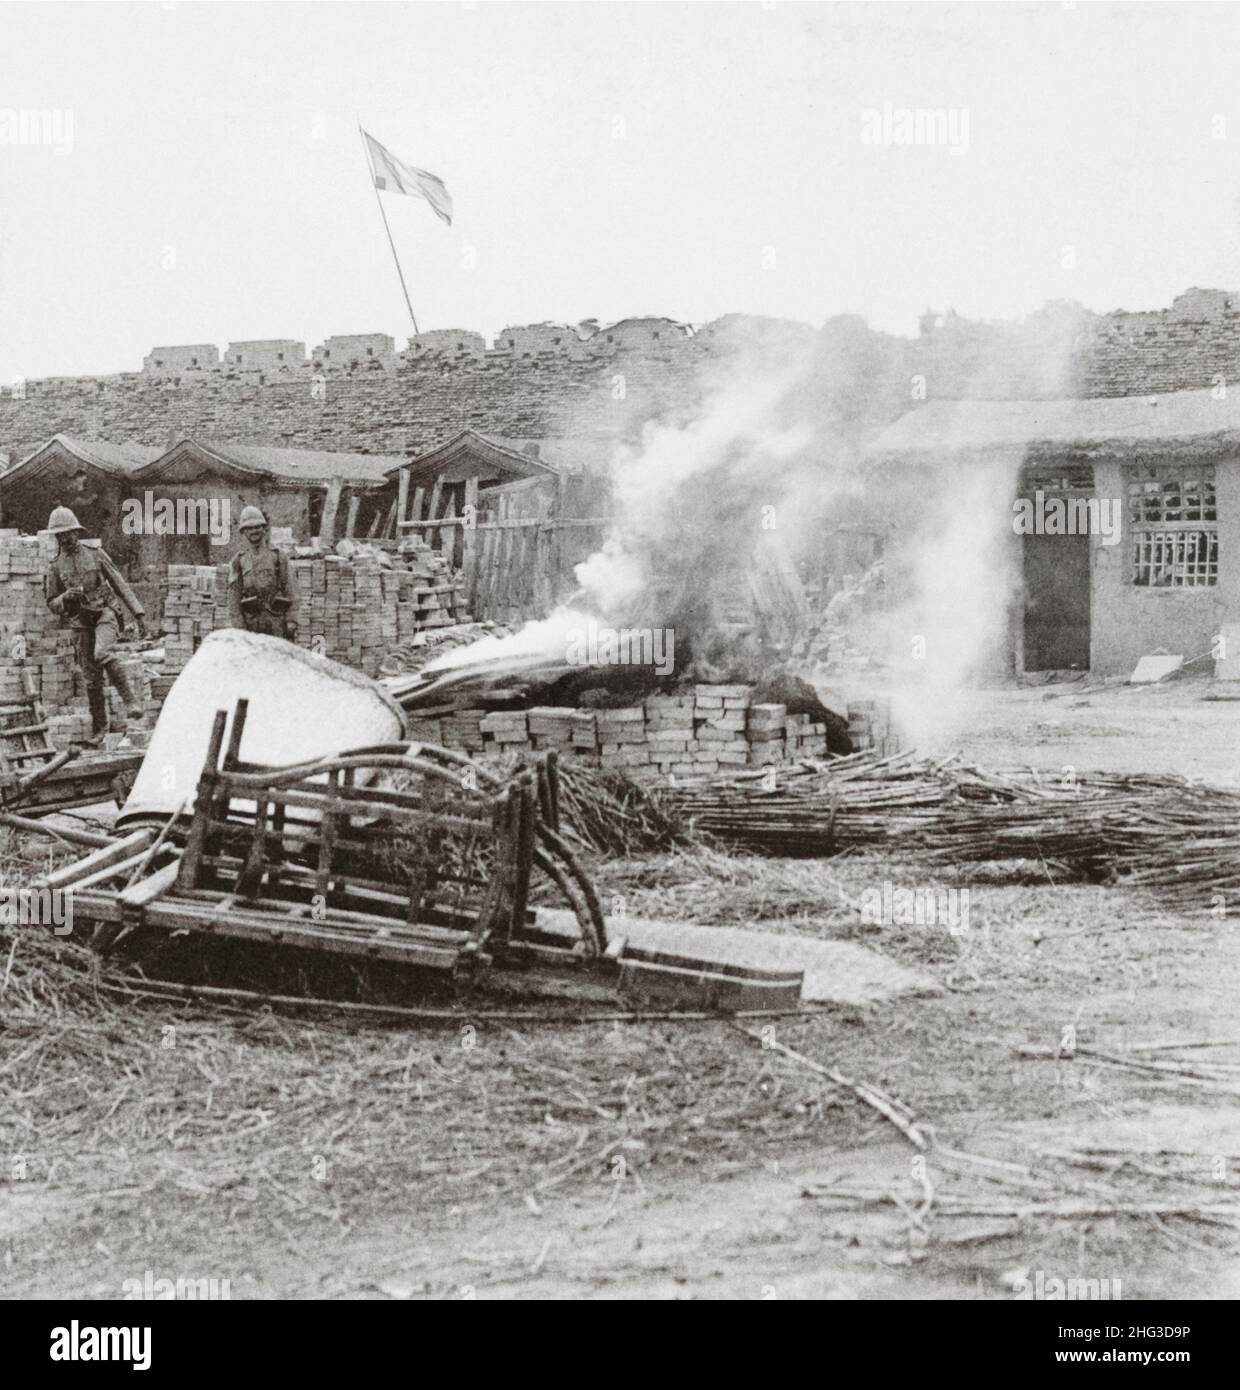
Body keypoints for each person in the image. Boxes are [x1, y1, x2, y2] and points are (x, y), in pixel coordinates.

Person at [44, 506, 146, 744]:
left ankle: (131, 700)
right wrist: (64, 598)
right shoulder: (55, 566)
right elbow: (51, 601)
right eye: (60, 535)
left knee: (103, 652)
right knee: (90, 678)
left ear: (76, 532)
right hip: (80, 621)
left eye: (68, 533)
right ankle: (100, 729)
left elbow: (120, 584)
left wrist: (138, 614)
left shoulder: (95, 554)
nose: (65, 539)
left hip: (104, 612)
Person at [227, 506, 297, 639]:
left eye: (257, 527)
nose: (254, 531)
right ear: (243, 532)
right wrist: (239, 627)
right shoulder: (239, 560)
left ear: (264, 529)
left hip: (277, 622)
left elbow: (291, 588)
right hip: (251, 623)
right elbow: (233, 598)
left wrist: (291, 620)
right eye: (249, 528)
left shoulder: (278, 556)